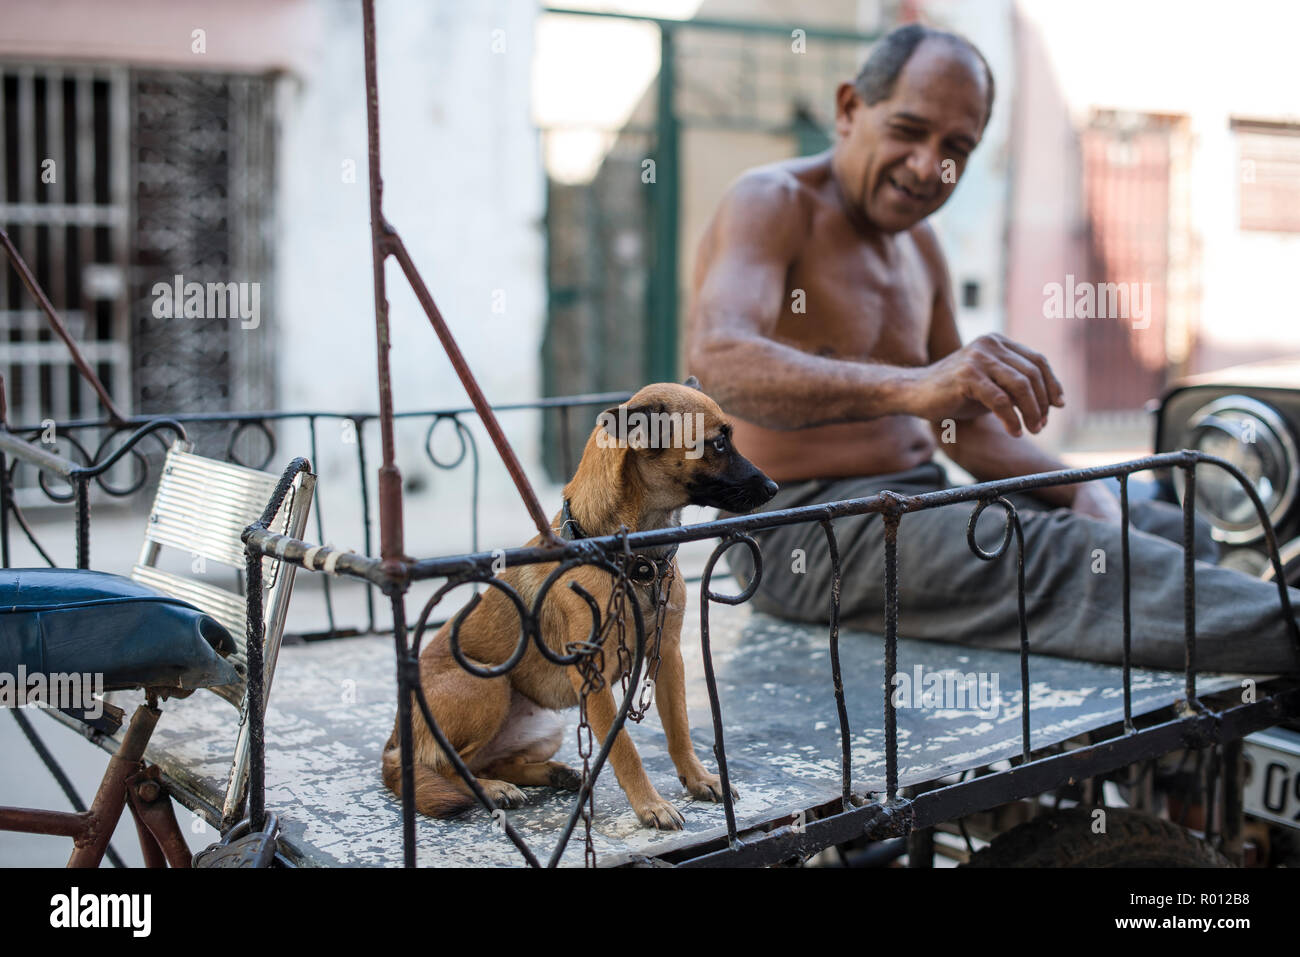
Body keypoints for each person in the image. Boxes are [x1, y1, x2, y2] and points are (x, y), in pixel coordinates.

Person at [685, 23, 1299, 675]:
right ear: (848, 109)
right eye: (907, 130)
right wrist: (912, 386)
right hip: (801, 529)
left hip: (910, 502)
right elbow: (720, 363)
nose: (928, 167)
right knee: (1068, 558)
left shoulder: (919, 247)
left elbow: (962, 431)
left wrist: (1077, 489)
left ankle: (1187, 728)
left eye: (956, 148)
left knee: (1162, 524)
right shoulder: (772, 201)